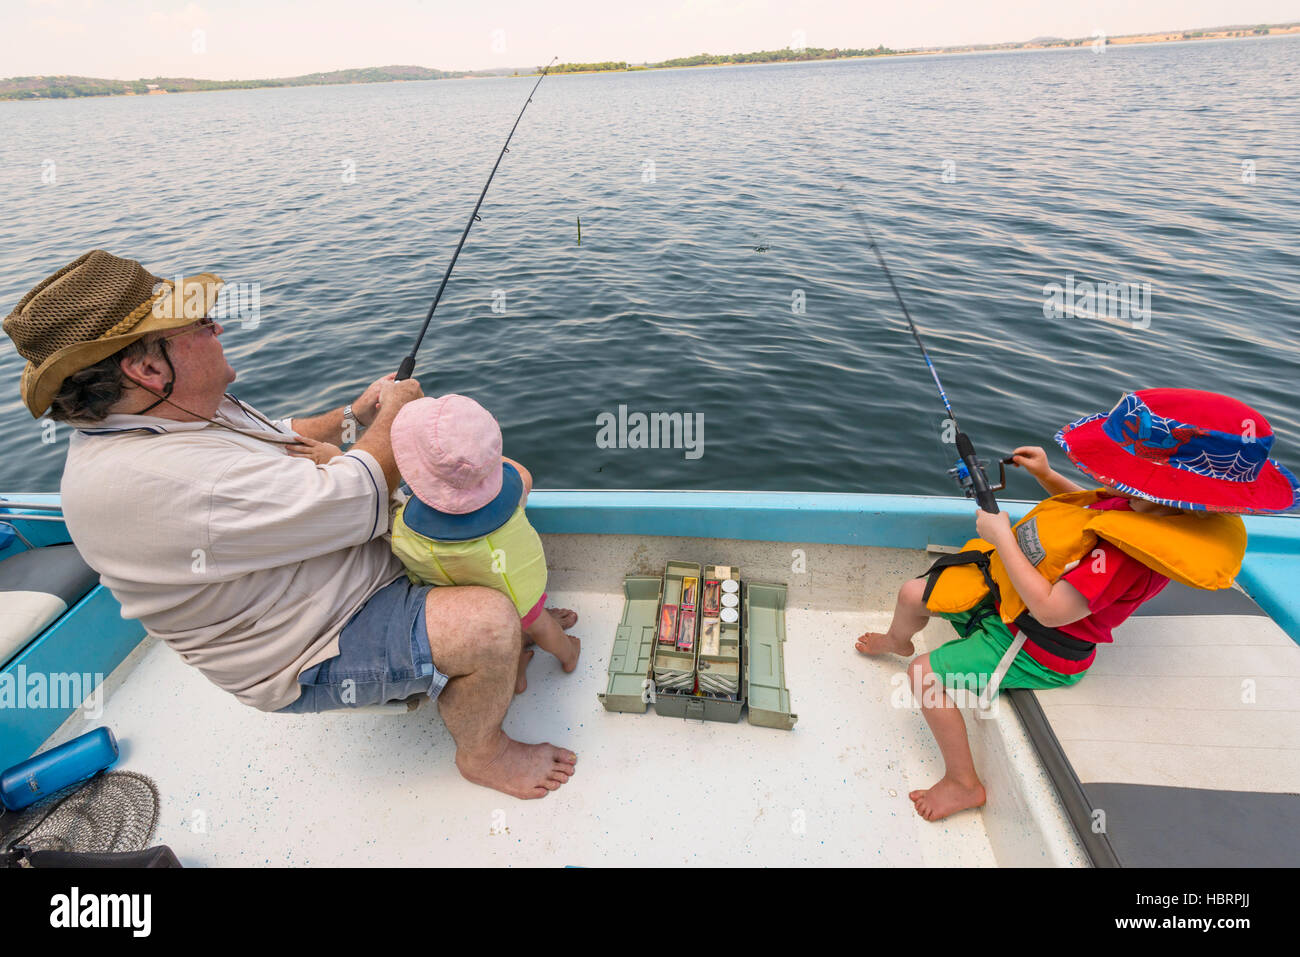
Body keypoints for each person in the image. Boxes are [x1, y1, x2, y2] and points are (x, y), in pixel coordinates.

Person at [3, 249, 576, 800]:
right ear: (148, 367)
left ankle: (502, 641)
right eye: (199, 323)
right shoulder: (156, 482)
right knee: (490, 624)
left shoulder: (166, 411)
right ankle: (482, 753)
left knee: (503, 491)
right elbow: (356, 497)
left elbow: (283, 437)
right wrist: (399, 420)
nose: (217, 329)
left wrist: (356, 416)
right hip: (310, 643)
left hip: (335, 572)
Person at [855, 389, 1299, 822]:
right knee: (915, 593)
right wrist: (1048, 477)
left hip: (1039, 645)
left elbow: (1050, 610)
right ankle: (899, 640)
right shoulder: (1151, 510)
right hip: (1016, 604)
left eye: (1126, 467)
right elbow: (1088, 519)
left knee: (925, 676)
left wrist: (1002, 537)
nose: (1112, 476)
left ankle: (962, 782)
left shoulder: (1125, 558)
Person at [289, 394, 581, 691]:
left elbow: (374, 493)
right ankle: (569, 654)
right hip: (514, 589)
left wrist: (335, 459)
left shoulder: (404, 523)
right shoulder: (510, 491)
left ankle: (515, 672)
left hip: (462, 603)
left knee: (503, 632)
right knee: (539, 622)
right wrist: (476, 456)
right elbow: (520, 475)